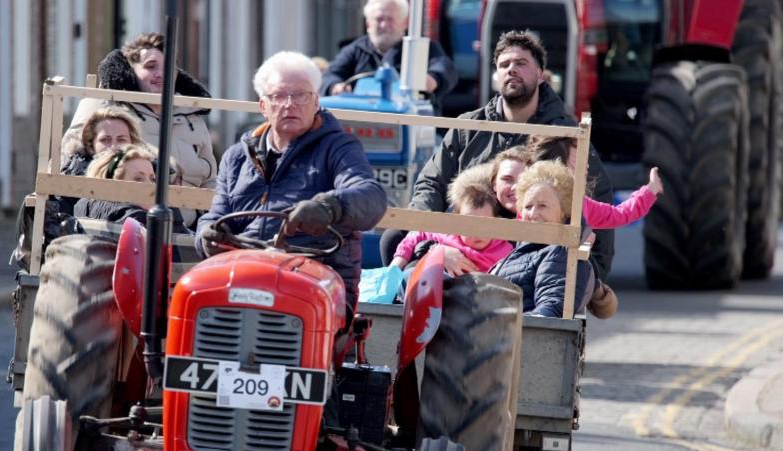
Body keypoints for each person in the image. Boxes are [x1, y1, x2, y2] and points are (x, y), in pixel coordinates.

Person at [405, 30, 615, 281]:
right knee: (392, 241)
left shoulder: (566, 136)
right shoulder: (467, 128)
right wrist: (431, 246)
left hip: (532, 261)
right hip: (459, 248)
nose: (511, 69)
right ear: (496, 75)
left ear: (540, 74)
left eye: (521, 63)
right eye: (504, 64)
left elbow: (597, 197)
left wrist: (593, 271)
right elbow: (431, 184)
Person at [195, 51, 387, 312]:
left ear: (316, 101)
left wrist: (329, 207)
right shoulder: (236, 157)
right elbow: (215, 216)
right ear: (263, 106)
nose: (289, 104)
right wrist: (205, 236)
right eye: (278, 96)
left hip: (315, 274)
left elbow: (371, 197)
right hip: (244, 272)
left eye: (300, 95)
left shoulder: (339, 148)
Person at [62, 32, 216, 229]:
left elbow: (212, 180)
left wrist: (208, 221)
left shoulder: (193, 115)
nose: (161, 74)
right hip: (128, 227)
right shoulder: (107, 103)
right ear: (131, 70)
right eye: (150, 67)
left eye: (169, 67)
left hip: (191, 229)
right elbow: (70, 159)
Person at [490, 160, 592, 318]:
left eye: (543, 205)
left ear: (564, 211)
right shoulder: (524, 248)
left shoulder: (560, 252)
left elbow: (550, 307)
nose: (533, 214)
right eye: (528, 206)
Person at [321, 0, 457, 115]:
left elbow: (445, 67)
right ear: (368, 24)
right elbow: (330, 75)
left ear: (404, 23)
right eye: (379, 19)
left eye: (390, 19)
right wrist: (335, 86)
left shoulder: (422, 47)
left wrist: (433, 78)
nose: (384, 25)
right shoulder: (355, 50)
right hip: (364, 125)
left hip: (416, 128)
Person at [390, 163, 512, 275]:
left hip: (486, 293)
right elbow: (417, 235)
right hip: (445, 290)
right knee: (411, 273)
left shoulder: (504, 249)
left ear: (495, 222)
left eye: (485, 224)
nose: (477, 233)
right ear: (456, 222)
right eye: (469, 225)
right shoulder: (448, 236)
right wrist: (398, 262)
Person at [526, 134, 664, 229]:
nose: (586, 167)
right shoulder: (526, 200)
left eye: (585, 162)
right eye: (577, 163)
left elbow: (620, 214)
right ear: (555, 168)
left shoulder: (582, 203)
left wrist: (650, 190)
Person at [74, 144, 189, 233]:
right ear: (113, 186)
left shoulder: (165, 222)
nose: (151, 186)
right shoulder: (131, 223)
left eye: (153, 179)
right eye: (138, 179)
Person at [60, 106, 143, 177]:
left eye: (121, 140)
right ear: (90, 146)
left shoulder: (149, 173)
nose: (114, 147)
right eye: (105, 140)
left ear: (132, 143)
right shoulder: (73, 178)